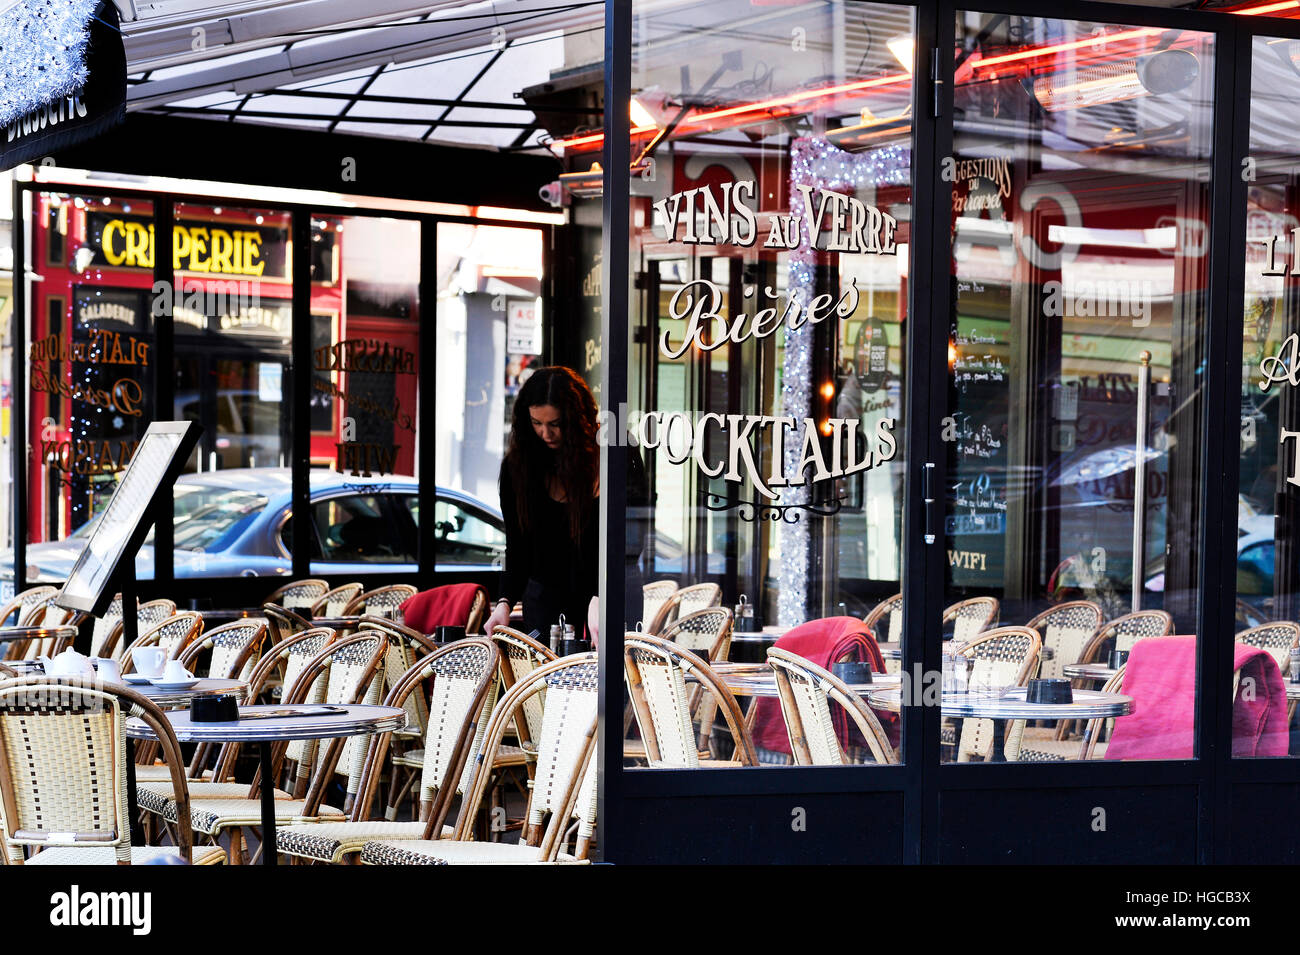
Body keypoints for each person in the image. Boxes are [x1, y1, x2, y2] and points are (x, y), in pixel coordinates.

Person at [483, 366, 646, 644]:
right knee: (553, 682)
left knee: (616, 681)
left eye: (555, 424)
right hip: (546, 599)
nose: (545, 433)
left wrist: (600, 594)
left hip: (610, 590)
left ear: (576, 420)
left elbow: (631, 535)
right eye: (536, 423)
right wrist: (504, 602)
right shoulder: (519, 468)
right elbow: (518, 546)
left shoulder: (617, 450)